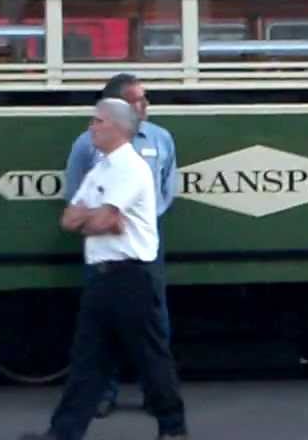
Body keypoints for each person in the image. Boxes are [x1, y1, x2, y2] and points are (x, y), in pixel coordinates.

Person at [21, 98, 188, 440]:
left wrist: (95, 218)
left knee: (150, 357)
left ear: (116, 126)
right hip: (101, 277)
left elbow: (104, 219)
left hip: (131, 277)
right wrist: (94, 219)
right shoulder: (101, 169)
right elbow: (71, 219)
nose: (91, 127)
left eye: (97, 121)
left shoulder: (130, 168)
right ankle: (63, 433)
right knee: (87, 361)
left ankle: (173, 427)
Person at [64, 73, 178, 418]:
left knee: (154, 330)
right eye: (135, 101)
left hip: (143, 251)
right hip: (104, 254)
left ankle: (159, 401)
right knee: (100, 336)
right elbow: (74, 199)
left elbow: (166, 189)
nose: (144, 106)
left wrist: (132, 218)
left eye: (145, 99)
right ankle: (103, 394)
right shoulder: (87, 145)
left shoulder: (161, 138)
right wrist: (101, 218)